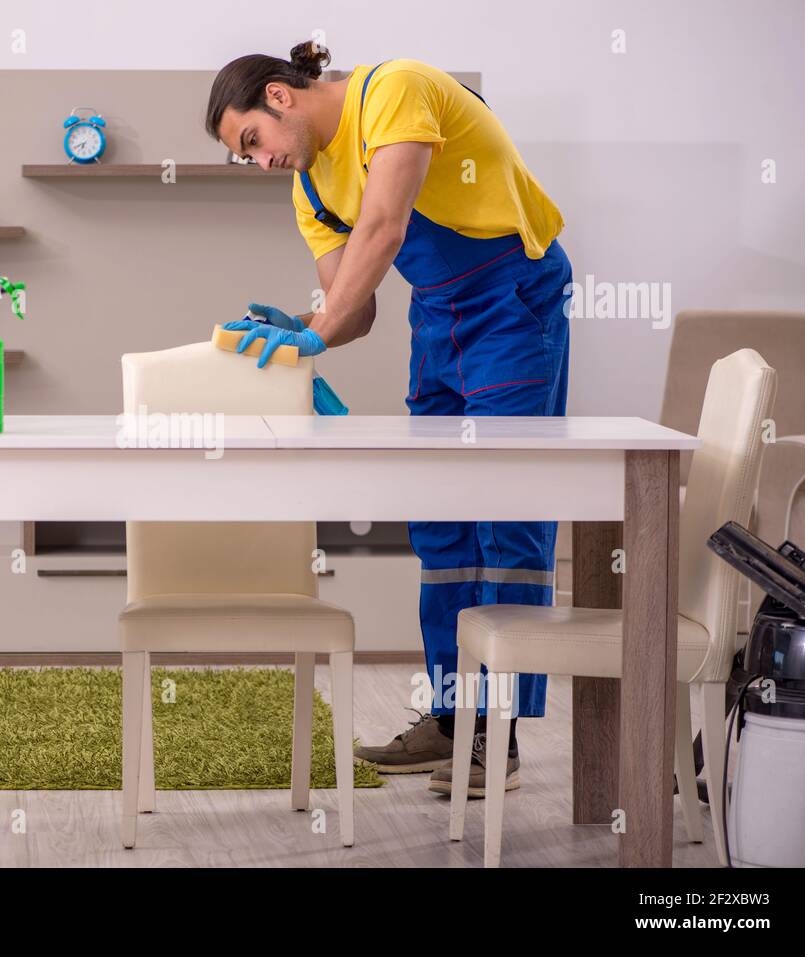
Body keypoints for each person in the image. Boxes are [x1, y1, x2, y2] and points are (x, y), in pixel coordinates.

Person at [205, 41, 572, 797]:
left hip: (512, 302)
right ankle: (449, 715)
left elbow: (386, 227)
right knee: (438, 517)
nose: (260, 161)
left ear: (279, 96)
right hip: (438, 320)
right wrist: (302, 328)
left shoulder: (393, 92)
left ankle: (492, 734)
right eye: (244, 158)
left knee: (507, 512)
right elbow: (358, 310)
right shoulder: (309, 190)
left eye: (251, 141)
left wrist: (319, 326)